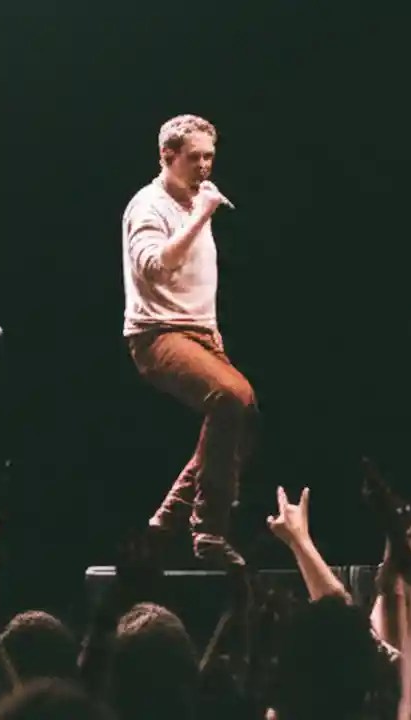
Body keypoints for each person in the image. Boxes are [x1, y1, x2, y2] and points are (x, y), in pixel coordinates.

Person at [121, 114, 257, 567]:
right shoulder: (149, 206)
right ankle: (208, 531)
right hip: (157, 334)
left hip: (199, 333)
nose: (204, 166)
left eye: (210, 157)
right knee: (230, 396)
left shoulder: (195, 200)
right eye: (194, 157)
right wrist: (200, 216)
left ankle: (168, 518)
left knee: (246, 414)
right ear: (167, 156)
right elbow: (155, 266)